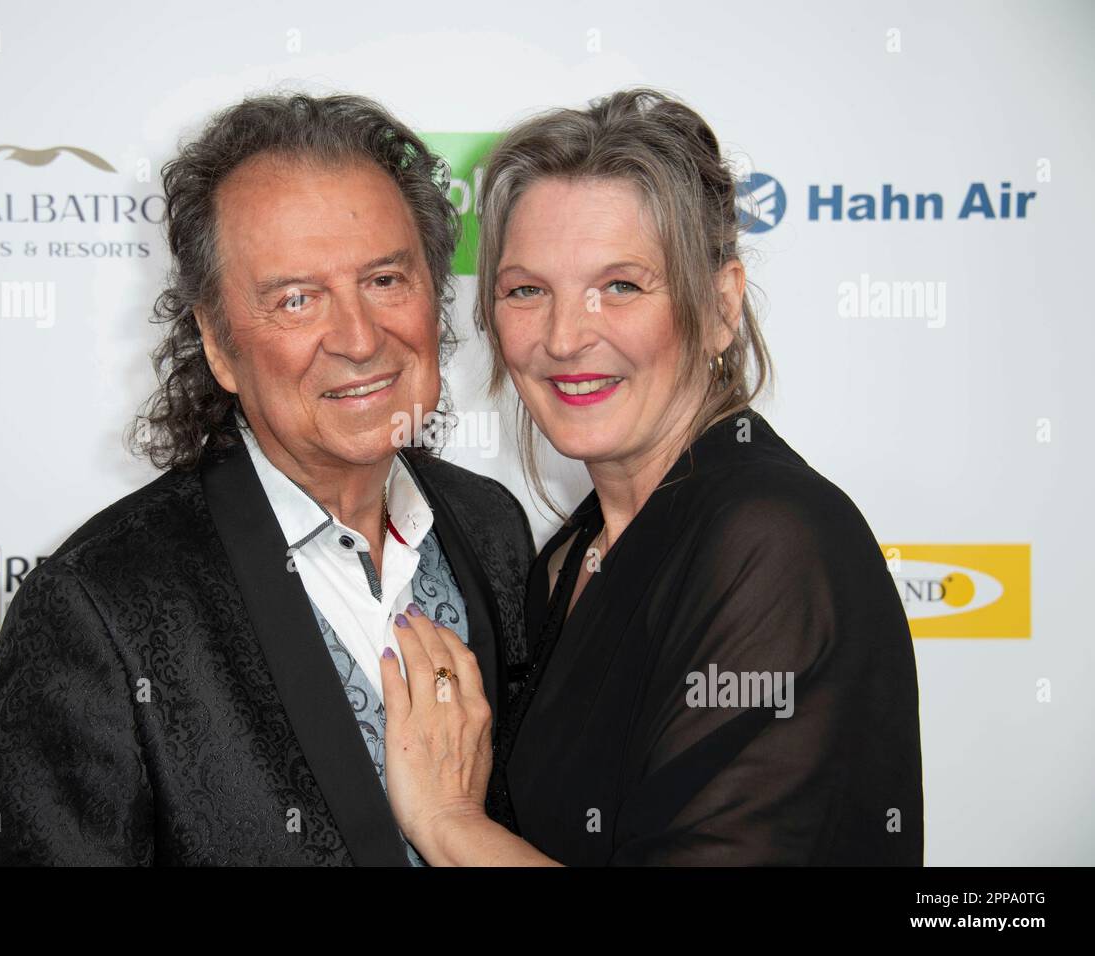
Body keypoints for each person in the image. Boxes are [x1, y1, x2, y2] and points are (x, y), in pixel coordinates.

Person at [0, 92, 534, 866]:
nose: (360, 338)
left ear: (435, 296)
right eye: (296, 299)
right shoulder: (97, 605)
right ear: (219, 344)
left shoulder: (492, 528)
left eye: (387, 280)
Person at [380, 88, 924, 865]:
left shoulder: (771, 543)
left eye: (622, 286)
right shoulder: (569, 559)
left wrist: (446, 821)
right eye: (527, 290)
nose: (566, 337)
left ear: (721, 306)